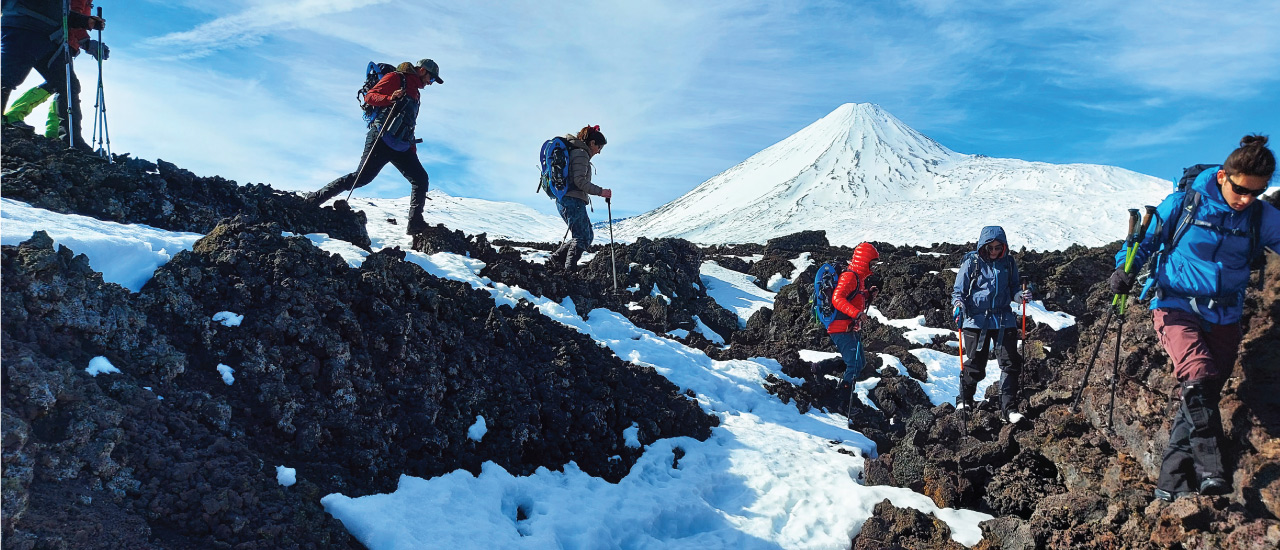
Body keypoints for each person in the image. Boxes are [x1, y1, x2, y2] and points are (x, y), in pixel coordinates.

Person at [1109, 134, 1278, 502]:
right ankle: (1211, 470)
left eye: (1257, 192)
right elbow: (1145, 241)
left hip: (1226, 315)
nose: (1247, 200)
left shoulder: (1259, 216)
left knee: (1200, 397)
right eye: (1241, 190)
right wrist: (1125, 268)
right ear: (1223, 177)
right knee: (1198, 375)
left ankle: (1170, 487)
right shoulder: (1186, 203)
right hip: (1175, 306)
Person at [306, 59, 442, 234]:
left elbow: (410, 122)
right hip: (381, 137)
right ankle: (314, 200)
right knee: (361, 178)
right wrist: (390, 98)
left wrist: (412, 149)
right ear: (422, 71)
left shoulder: (416, 93)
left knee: (420, 178)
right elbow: (370, 96)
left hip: (401, 145)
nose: (429, 84)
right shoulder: (396, 78)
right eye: (431, 79)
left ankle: (415, 224)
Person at [951, 226, 1032, 421]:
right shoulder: (972, 262)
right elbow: (958, 291)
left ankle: (1009, 409)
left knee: (1010, 363)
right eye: (990, 248)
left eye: (998, 247)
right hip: (976, 320)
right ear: (983, 246)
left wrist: (1020, 296)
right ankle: (964, 400)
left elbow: (1013, 287)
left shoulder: (1009, 263)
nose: (994, 251)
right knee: (976, 363)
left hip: (1004, 318)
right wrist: (958, 305)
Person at [1, 0, 106, 149]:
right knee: (8, 76)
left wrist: (85, 21)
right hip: (24, 27)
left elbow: (60, 13)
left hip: (49, 36)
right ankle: (70, 140)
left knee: (68, 86)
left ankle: (72, 141)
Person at [547, 125, 612, 271]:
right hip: (572, 200)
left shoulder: (576, 151)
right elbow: (579, 181)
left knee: (587, 235)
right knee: (582, 236)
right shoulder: (581, 154)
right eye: (599, 147)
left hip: (567, 199)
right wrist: (601, 192)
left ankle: (557, 259)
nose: (599, 152)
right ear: (592, 143)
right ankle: (569, 269)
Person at [828, 242, 879, 398]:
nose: (874, 266)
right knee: (855, 364)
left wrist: (867, 295)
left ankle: (820, 368)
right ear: (864, 261)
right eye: (872, 262)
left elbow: (855, 296)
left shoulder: (858, 278)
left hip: (849, 327)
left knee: (860, 362)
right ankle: (843, 399)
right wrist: (857, 314)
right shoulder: (850, 276)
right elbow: (837, 299)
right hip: (841, 327)